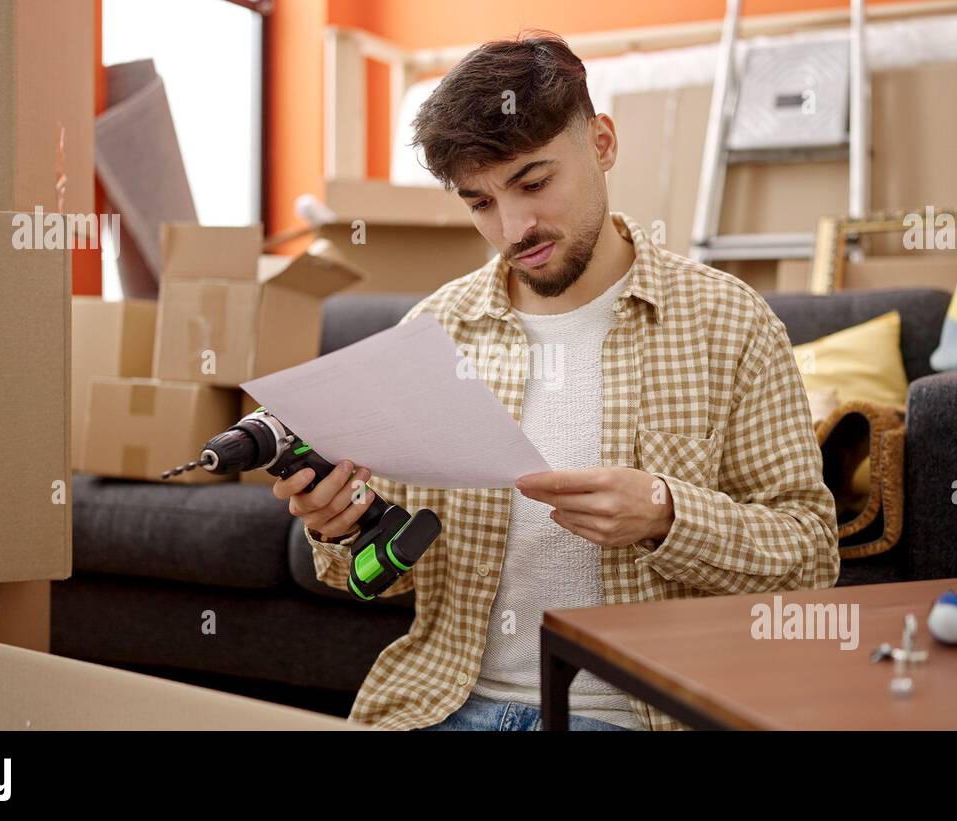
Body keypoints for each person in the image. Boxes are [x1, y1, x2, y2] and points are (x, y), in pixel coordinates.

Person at [273, 31, 839, 732]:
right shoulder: (434, 331)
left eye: (534, 183)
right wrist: (341, 527)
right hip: (440, 704)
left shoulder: (729, 323)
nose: (514, 227)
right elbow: (380, 573)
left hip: (632, 712)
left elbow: (810, 556)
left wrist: (666, 513)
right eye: (480, 203)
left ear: (602, 143)